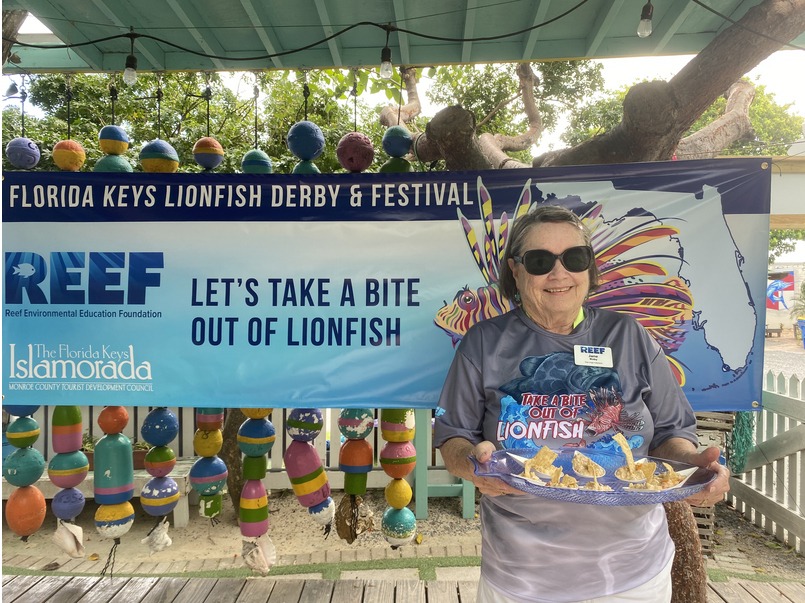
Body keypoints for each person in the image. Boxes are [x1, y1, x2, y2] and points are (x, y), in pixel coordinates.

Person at [434, 204, 730, 603]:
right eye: (540, 261)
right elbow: (452, 436)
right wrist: (472, 462)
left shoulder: (629, 336)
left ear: (589, 269)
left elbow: (671, 434)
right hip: (522, 579)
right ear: (516, 271)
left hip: (635, 573)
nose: (559, 274)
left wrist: (691, 464)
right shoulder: (483, 344)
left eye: (574, 258)